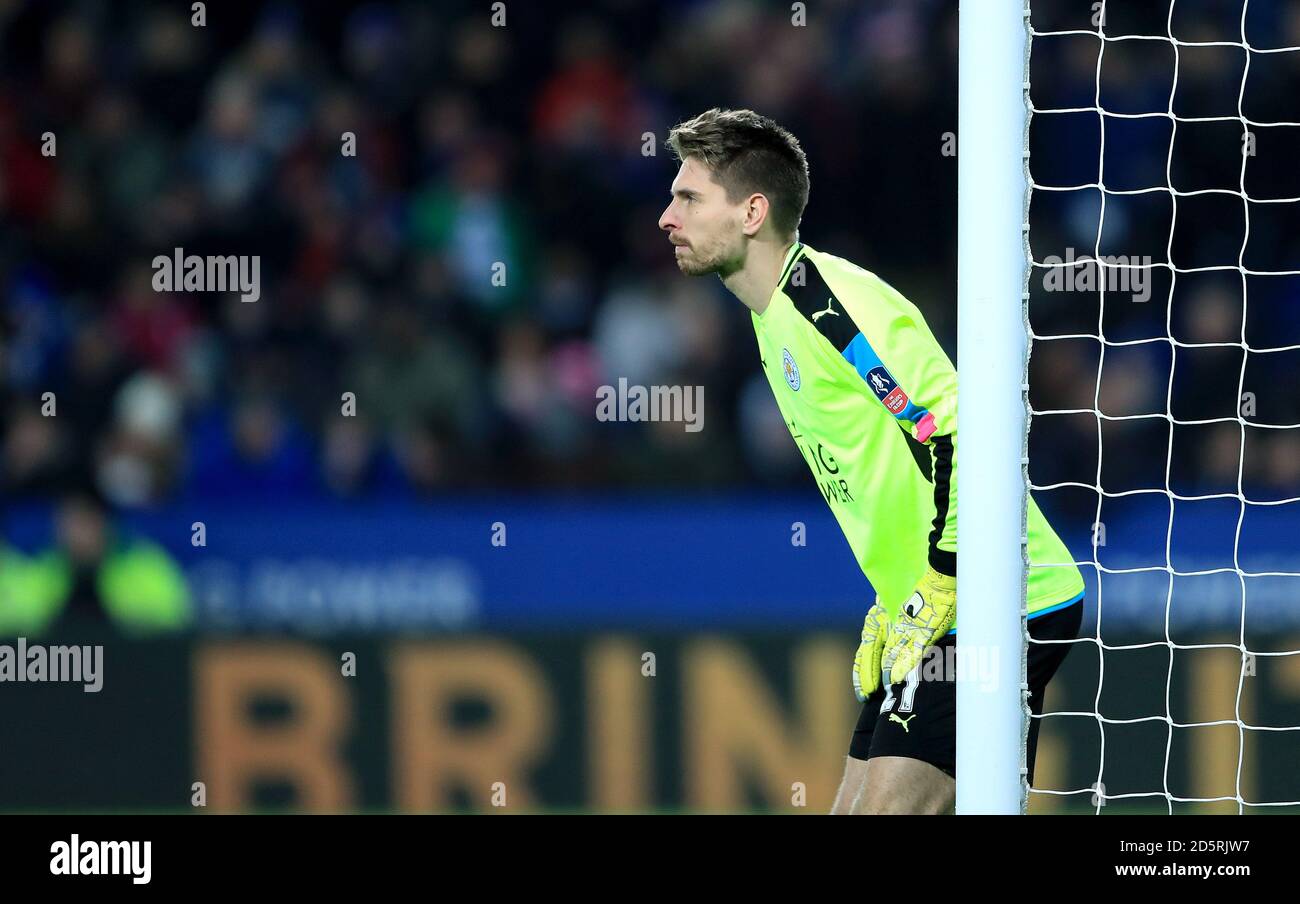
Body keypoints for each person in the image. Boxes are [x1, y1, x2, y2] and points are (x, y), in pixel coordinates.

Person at [658, 108, 1085, 814]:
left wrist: (945, 577)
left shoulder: (826, 303)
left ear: (753, 211)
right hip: (929, 610)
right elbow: (888, 469)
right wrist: (897, 598)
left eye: (689, 197)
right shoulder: (771, 319)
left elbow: (958, 430)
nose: (668, 218)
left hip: (1001, 596)